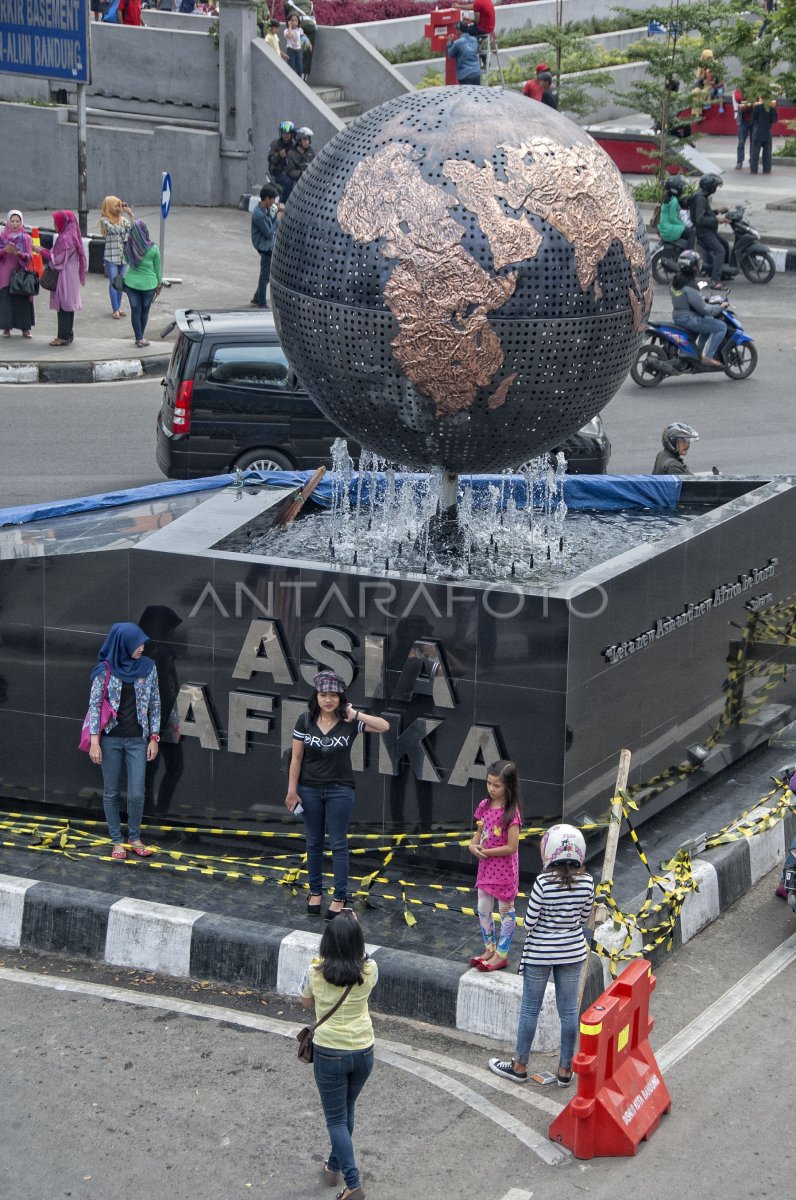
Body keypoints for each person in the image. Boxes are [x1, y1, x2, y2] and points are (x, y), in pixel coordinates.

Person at [488, 824, 594, 1088]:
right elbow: (583, 918)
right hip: (572, 951)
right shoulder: (588, 882)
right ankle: (565, 1070)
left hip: (540, 953)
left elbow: (530, 921)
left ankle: (520, 1066)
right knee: (569, 1013)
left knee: (530, 1009)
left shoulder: (543, 882)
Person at [285, 670, 389, 920]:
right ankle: (315, 892)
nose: (328, 700)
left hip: (340, 790)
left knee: (339, 844)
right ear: (316, 696)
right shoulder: (305, 720)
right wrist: (291, 791)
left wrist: (355, 714)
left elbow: (384, 726)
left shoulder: (349, 721)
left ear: (341, 697)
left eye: (333, 695)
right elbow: (296, 758)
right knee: (313, 842)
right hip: (308, 789)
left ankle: (340, 897)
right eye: (323, 694)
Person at [300, 909, 377, 1200]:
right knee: (347, 1111)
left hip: (330, 1053)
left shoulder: (315, 971)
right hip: (363, 1052)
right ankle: (332, 1165)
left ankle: (353, 1184)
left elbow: (305, 1002)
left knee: (335, 1119)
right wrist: (353, 928)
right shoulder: (371, 970)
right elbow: (363, 958)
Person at [87, 622, 161, 861]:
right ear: (124, 643)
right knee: (111, 792)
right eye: (137, 643)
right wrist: (94, 741)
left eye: (142, 643)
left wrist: (154, 737)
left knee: (137, 793)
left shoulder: (149, 667)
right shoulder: (105, 670)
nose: (141, 647)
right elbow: (95, 706)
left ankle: (135, 837)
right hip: (110, 739)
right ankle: (117, 840)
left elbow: (155, 704)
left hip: (137, 740)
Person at [468, 760, 522, 973]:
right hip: (486, 868)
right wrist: (473, 845)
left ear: (508, 786)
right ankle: (489, 948)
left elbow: (512, 847)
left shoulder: (511, 813)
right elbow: (479, 833)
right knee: (483, 909)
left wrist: (486, 852)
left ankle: (502, 953)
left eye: (496, 785)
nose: (491, 789)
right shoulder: (484, 806)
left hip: (504, 871)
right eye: (489, 783)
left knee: (506, 911)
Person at [139, 605, 184, 819]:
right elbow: (164, 690)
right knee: (157, 769)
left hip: (163, 720)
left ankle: (155, 810)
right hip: (157, 722)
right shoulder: (157, 654)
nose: (173, 634)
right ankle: (153, 811)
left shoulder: (157, 652)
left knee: (161, 769)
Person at [670, 249, 729, 367]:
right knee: (721, 327)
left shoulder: (676, 281)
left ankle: (697, 356)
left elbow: (690, 298)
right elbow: (704, 310)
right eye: (697, 264)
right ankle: (708, 357)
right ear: (693, 267)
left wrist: (704, 299)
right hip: (690, 319)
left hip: (678, 316)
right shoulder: (690, 285)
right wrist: (720, 307)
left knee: (707, 326)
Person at [48, 210, 86, 347]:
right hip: (72, 275)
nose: (54, 225)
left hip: (64, 276)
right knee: (68, 306)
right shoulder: (73, 236)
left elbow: (56, 260)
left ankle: (62, 337)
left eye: (56, 222)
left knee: (63, 306)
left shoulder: (64, 239)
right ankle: (68, 334)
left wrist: (40, 250)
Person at [122, 219, 162, 348]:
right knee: (144, 312)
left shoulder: (128, 246)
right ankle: (141, 337)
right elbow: (157, 269)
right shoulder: (154, 248)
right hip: (149, 285)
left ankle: (139, 337)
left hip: (131, 284)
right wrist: (159, 284)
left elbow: (128, 260)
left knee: (135, 311)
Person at [690, 174, 730, 289]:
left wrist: (717, 211)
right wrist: (718, 220)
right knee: (720, 250)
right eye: (715, 186)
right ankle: (715, 281)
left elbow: (705, 213)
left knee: (725, 244)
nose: (716, 188)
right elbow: (700, 219)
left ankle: (723, 272)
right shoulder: (700, 199)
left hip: (709, 230)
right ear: (711, 187)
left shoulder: (702, 196)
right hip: (704, 232)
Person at [0, 209, 35, 339]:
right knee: (6, 301)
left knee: (22, 300)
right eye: (12, 221)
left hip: (21, 274)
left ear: (21, 222)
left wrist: (18, 253)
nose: (15, 224)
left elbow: (30, 256)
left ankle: (25, 329)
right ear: (8, 222)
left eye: (17, 221)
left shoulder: (26, 238)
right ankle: (6, 329)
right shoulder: (2, 236)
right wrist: (4, 250)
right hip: (5, 273)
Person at [98, 195, 133, 320]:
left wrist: (130, 214)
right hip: (111, 256)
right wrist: (124, 227)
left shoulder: (123, 219)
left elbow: (133, 229)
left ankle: (118, 306)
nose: (119, 208)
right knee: (113, 283)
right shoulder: (105, 220)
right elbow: (114, 230)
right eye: (116, 206)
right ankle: (115, 309)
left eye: (120, 206)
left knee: (121, 283)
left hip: (124, 257)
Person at [250, 184, 282, 309]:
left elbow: (271, 223)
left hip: (268, 246)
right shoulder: (259, 215)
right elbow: (268, 233)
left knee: (266, 274)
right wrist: (278, 219)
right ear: (266, 199)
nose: (274, 201)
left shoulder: (265, 209)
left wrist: (277, 213)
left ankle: (257, 297)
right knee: (264, 277)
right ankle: (261, 302)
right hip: (265, 248)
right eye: (272, 199)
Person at [656, 175, 695, 250]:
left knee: (687, 231)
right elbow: (673, 218)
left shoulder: (669, 198)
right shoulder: (674, 201)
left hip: (665, 226)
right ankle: (689, 254)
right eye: (681, 187)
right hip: (668, 228)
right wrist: (683, 225)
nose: (683, 189)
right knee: (691, 233)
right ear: (676, 189)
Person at [284, 0, 316, 80]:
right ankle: (304, 74)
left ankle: (293, 73)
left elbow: (288, 17)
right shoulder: (309, 2)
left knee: (293, 48)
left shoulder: (288, 3)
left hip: (298, 26)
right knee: (307, 51)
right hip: (311, 27)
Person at [447, 21, 482, 85]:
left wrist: (449, 42)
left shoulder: (457, 43)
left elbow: (450, 54)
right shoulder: (474, 40)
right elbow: (478, 50)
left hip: (465, 75)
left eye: (456, 30)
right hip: (476, 73)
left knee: (466, 94)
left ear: (459, 30)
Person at [750, 95, 777, 175]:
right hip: (767, 132)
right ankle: (767, 169)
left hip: (757, 132)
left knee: (755, 152)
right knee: (767, 153)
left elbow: (753, 118)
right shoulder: (771, 108)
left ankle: (754, 169)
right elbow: (774, 120)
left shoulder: (757, 107)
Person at [269, 120, 296, 199]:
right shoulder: (275, 144)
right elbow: (270, 159)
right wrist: (279, 155)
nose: (286, 135)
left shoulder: (294, 145)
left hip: (290, 170)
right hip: (278, 170)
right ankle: (283, 202)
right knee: (288, 183)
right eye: (284, 133)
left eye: (288, 133)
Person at [733, 85, 754, 169]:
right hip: (744, 121)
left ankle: (752, 160)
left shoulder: (754, 88)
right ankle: (739, 161)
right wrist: (749, 99)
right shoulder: (739, 89)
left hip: (753, 120)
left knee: (753, 142)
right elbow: (738, 98)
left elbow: (756, 99)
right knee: (741, 142)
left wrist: (747, 100)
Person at [284, 13, 304, 77]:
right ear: (289, 21)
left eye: (296, 21)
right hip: (290, 51)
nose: (294, 22)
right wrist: (289, 26)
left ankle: (299, 84)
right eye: (292, 21)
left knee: (299, 68)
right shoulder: (286, 30)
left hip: (298, 51)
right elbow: (289, 36)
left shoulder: (300, 30)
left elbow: (303, 38)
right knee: (291, 67)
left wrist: (308, 44)